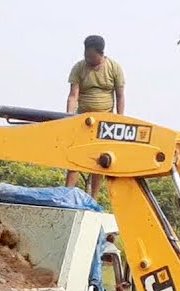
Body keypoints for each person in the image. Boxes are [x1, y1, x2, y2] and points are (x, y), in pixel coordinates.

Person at [65, 35, 125, 199]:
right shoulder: (79, 68)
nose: (89, 59)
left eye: (92, 56)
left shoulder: (114, 68)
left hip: (105, 122)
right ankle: (67, 194)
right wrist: (68, 118)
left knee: (99, 160)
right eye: (86, 55)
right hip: (83, 120)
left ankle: (94, 198)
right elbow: (73, 96)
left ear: (101, 53)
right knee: (74, 158)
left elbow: (120, 96)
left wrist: (120, 120)